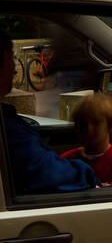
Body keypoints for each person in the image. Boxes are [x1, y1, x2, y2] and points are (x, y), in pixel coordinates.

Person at [0, 30, 98, 193]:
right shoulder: (8, 129)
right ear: (3, 58)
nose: (15, 67)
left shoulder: (7, 119)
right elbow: (50, 174)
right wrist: (89, 176)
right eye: (11, 56)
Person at [61, 92, 112, 186]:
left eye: (96, 123)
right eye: (83, 123)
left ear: (111, 125)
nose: (89, 129)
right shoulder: (67, 160)